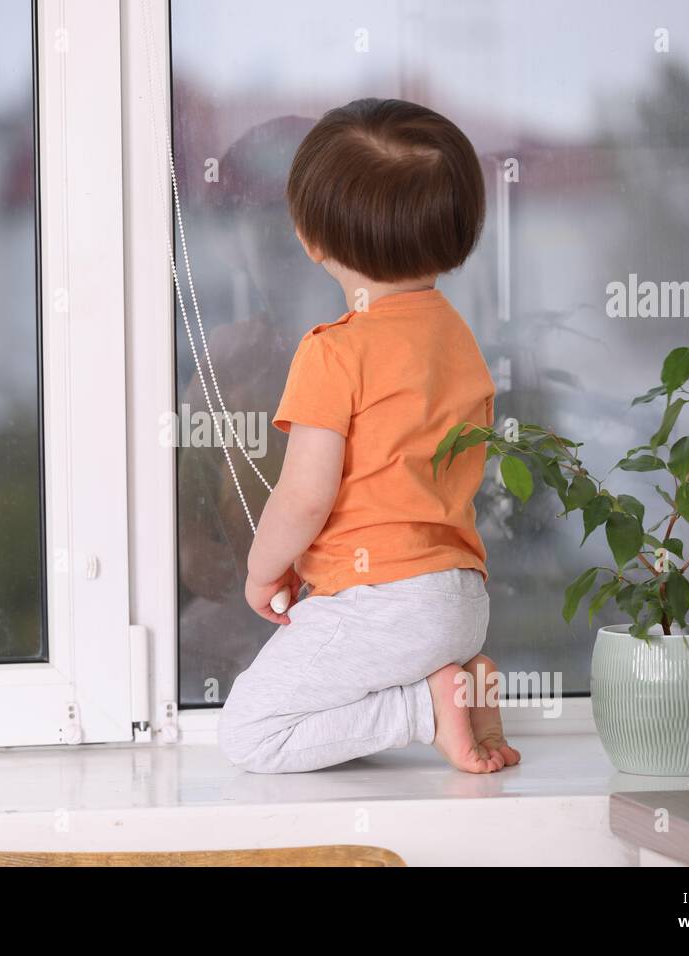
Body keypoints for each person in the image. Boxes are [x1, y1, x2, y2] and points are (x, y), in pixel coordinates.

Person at [218, 98, 521, 774]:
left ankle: (431, 709)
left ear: (311, 238)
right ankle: (455, 687)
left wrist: (264, 569)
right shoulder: (458, 343)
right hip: (463, 598)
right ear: (459, 230)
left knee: (251, 734)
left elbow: (304, 495)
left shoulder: (335, 352)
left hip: (384, 602)